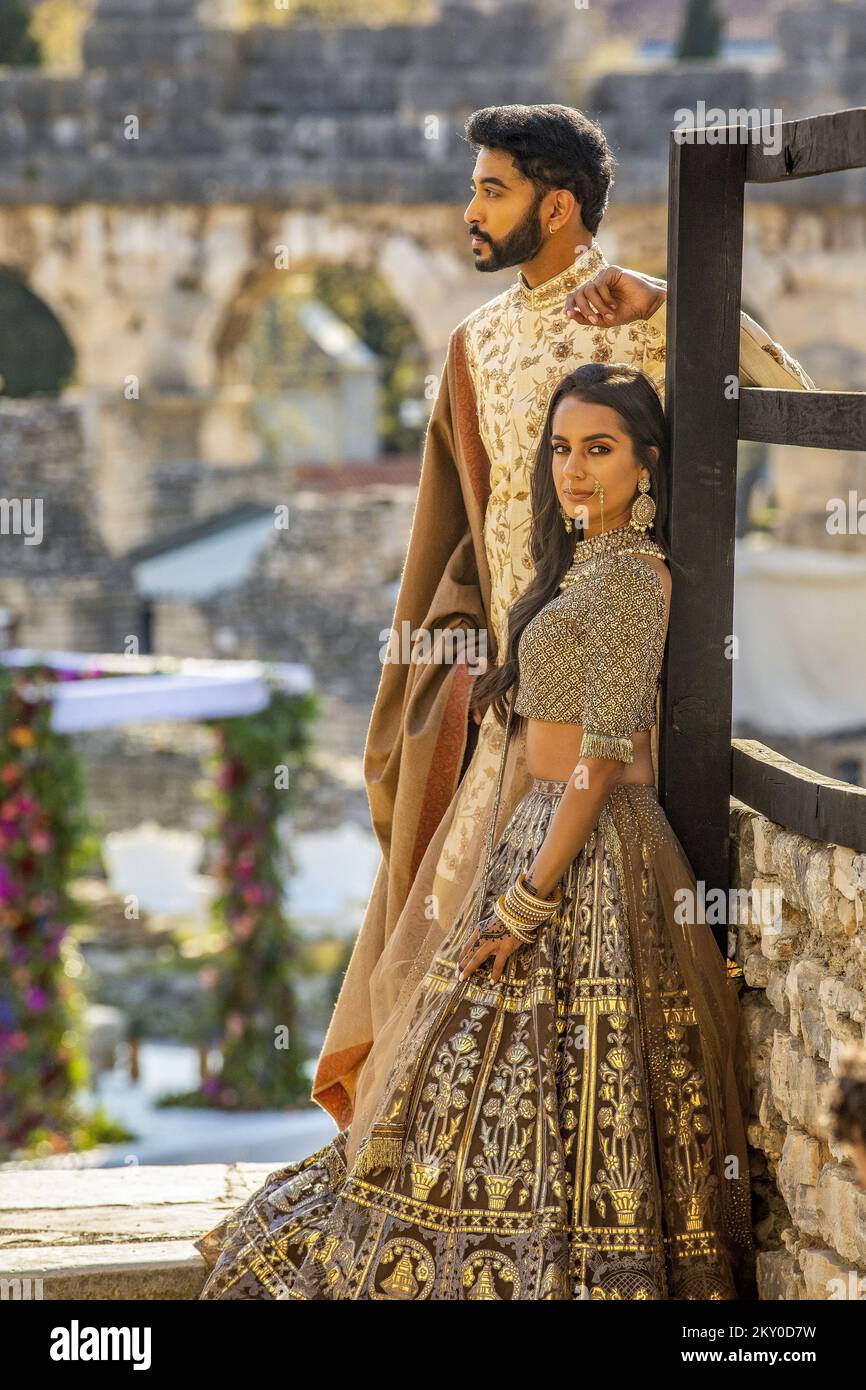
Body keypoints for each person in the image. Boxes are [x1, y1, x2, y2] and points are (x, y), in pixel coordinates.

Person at [195, 362, 757, 1300]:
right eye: (562, 448)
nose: (573, 469)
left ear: (648, 463)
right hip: (541, 828)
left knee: (567, 1083)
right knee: (471, 1079)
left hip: (592, 851)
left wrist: (528, 900)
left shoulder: (634, 579)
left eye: (600, 449)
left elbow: (605, 756)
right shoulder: (584, 565)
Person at [311, 102, 816, 1131]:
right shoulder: (473, 344)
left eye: (490, 190)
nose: (470, 210)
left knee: (594, 981)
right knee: (460, 967)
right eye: (472, 188)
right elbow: (452, 537)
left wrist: (674, 300)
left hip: (631, 709)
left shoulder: (643, 319)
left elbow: (788, 391)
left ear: (558, 205)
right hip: (507, 704)